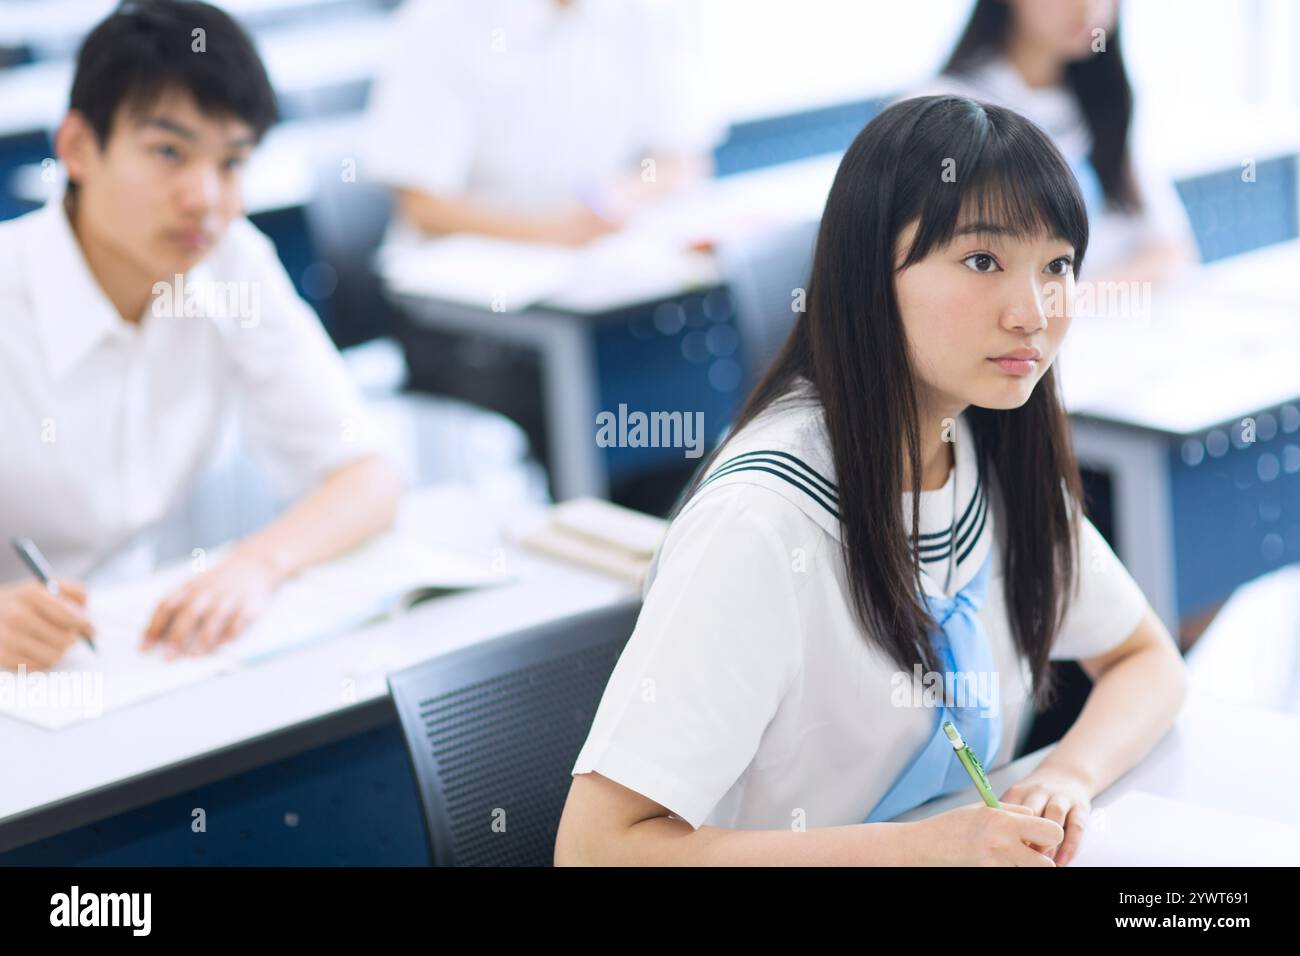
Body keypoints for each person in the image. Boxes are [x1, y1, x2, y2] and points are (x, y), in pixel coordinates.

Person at [555, 96, 1187, 866]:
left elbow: (1145, 659)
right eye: (983, 261)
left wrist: (1066, 777)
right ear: (867, 274)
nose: (1032, 312)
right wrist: (913, 851)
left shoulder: (988, 446)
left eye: (1056, 265)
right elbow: (594, 850)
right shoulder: (760, 523)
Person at [0, 0, 403, 670]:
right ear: (76, 148)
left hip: (128, 655)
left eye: (232, 163)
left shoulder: (230, 262)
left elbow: (368, 476)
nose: (204, 198)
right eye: (168, 152)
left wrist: (256, 565)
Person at [362, 0, 721, 247]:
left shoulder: (643, 12)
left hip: (600, 258)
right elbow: (422, 205)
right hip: (473, 301)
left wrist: (618, 197)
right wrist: (552, 234)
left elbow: (681, 158)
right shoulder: (441, 21)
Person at [911, 0, 1197, 283]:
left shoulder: (1106, 105)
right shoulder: (940, 111)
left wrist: (1078, 302)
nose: (1088, 8)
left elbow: (1171, 247)